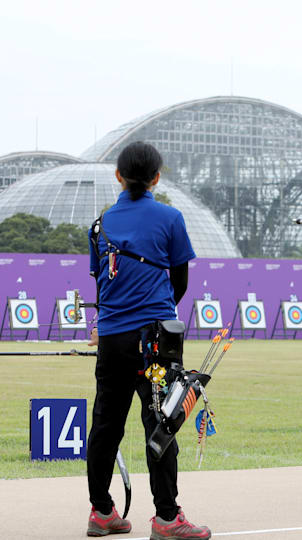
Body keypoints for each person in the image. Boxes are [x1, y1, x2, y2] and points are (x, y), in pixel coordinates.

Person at [85, 141, 210, 539]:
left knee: (106, 423)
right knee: (161, 422)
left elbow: (103, 286)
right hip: (156, 340)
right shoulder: (170, 218)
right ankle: (167, 518)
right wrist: (156, 314)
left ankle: (102, 512)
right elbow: (181, 282)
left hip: (111, 339)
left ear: (118, 176)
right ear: (157, 177)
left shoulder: (100, 225)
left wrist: (108, 322)